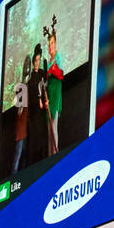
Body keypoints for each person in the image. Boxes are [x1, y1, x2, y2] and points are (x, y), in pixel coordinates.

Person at [45, 27, 65, 156]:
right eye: (49, 44)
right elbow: (46, 82)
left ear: (55, 43)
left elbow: (61, 75)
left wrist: (54, 70)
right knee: (48, 130)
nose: (50, 46)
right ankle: (49, 156)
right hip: (49, 97)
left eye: (52, 43)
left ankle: (55, 155)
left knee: (54, 127)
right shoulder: (47, 63)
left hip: (56, 97)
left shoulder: (58, 57)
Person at [11, 59, 31, 174]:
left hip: (27, 126)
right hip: (21, 128)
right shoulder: (21, 87)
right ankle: (14, 177)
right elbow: (18, 106)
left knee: (24, 153)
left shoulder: (27, 86)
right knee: (18, 154)